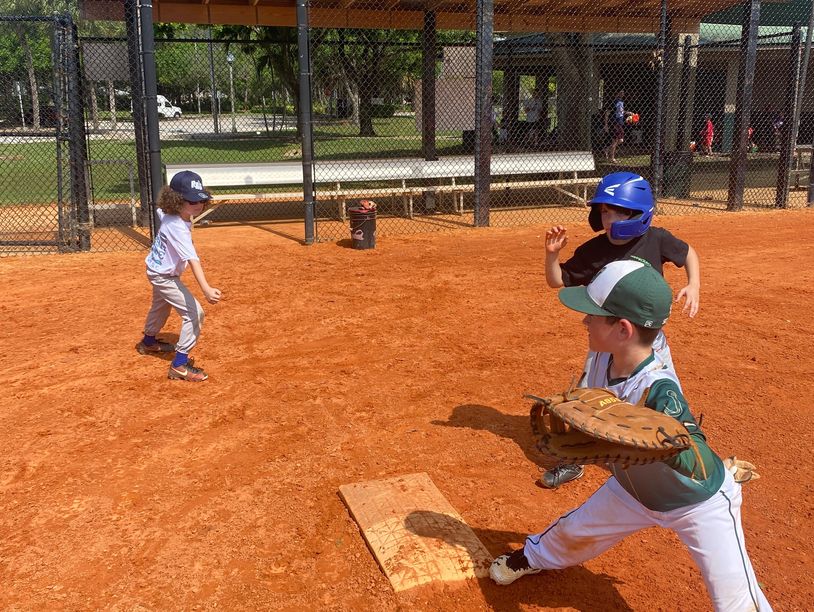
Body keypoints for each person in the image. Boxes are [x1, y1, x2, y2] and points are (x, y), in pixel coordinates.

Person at [490, 260, 771, 612]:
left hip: (696, 502)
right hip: (632, 489)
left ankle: (726, 474)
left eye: (592, 315)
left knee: (735, 600)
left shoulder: (658, 387)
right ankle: (532, 557)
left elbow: (694, 453)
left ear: (623, 330)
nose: (584, 320)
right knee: (574, 532)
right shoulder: (600, 355)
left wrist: (664, 447)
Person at [540, 172, 700, 488]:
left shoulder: (656, 239)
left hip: (647, 340)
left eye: (616, 212)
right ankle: (577, 456)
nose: (609, 219)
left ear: (638, 214)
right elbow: (558, 280)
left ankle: (683, 456)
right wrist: (552, 255)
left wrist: (694, 284)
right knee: (588, 397)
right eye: (604, 212)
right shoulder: (595, 251)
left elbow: (688, 252)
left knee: (662, 395)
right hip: (607, 339)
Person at [135, 170, 222, 382]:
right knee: (194, 314)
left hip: (156, 271)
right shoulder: (177, 227)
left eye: (200, 200)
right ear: (175, 201)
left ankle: (148, 342)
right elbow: (193, 259)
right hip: (164, 276)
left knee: (161, 307)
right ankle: (179, 365)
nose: (197, 205)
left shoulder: (172, 216)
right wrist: (206, 289)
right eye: (191, 201)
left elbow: (159, 211)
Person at [604, 90, 632, 163]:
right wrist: (606, 125)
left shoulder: (621, 102)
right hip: (614, 123)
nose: (622, 94)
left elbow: (621, 111)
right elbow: (607, 113)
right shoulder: (613, 102)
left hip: (620, 123)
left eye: (623, 93)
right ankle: (612, 158)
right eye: (620, 93)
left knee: (620, 140)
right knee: (615, 140)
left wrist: (628, 113)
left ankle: (607, 149)